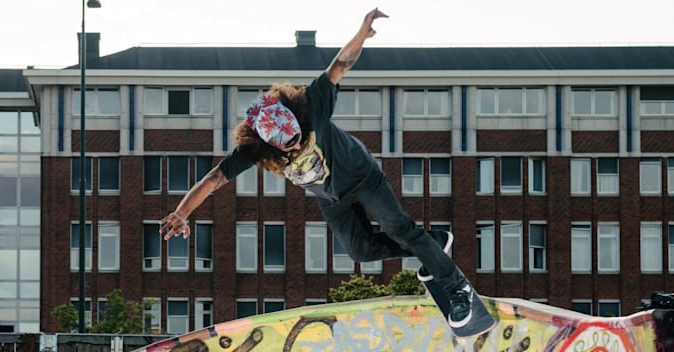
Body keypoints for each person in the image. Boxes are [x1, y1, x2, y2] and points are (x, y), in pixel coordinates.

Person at [159, 7, 476, 328]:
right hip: (332, 199)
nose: (296, 145)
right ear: (269, 144)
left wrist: (362, 34)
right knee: (362, 251)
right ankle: (431, 243)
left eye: (297, 137)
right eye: (287, 145)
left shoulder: (312, 105)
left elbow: (340, 65)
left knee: (400, 229)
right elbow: (214, 178)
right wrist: (182, 213)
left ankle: (457, 290)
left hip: (363, 177)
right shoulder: (254, 148)